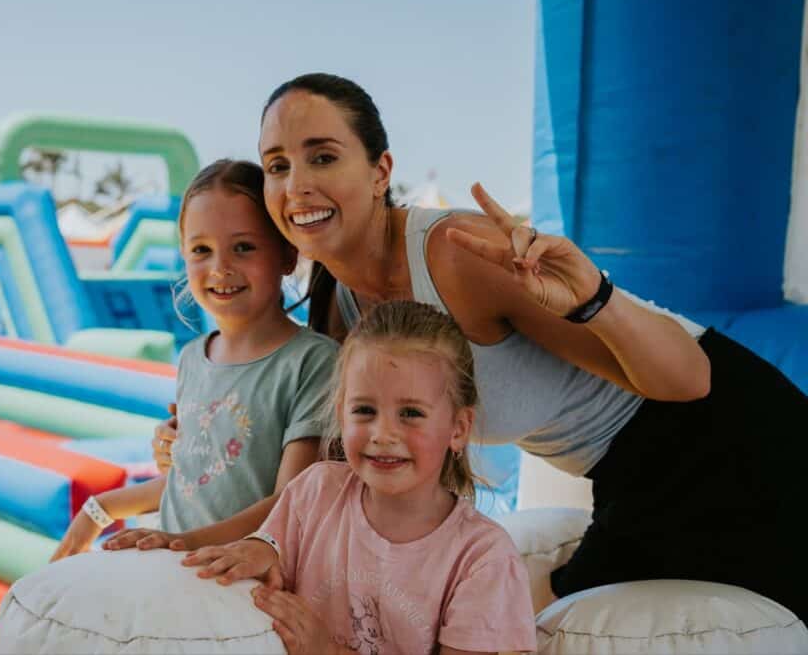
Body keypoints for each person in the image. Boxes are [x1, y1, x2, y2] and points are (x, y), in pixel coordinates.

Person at [155, 73, 808, 619]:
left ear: (381, 171)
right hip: (626, 478)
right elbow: (317, 473)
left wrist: (594, 296)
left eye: (322, 157)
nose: (296, 184)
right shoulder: (340, 314)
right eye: (277, 165)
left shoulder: (457, 255)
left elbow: (692, 381)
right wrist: (192, 450)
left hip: (736, 439)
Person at [185, 302, 536, 655]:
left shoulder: (483, 559)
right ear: (342, 415)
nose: (382, 434)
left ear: (458, 428)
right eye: (365, 410)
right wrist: (258, 552)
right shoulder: (317, 490)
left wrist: (328, 651)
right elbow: (273, 551)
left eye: (411, 413)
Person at [49, 159, 337, 562]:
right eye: (202, 250)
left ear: (287, 254)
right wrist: (98, 510)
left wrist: (179, 543)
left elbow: (291, 503)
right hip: (178, 565)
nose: (221, 268)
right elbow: (195, 486)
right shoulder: (193, 359)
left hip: (238, 577)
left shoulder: (312, 363)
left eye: (243, 247)